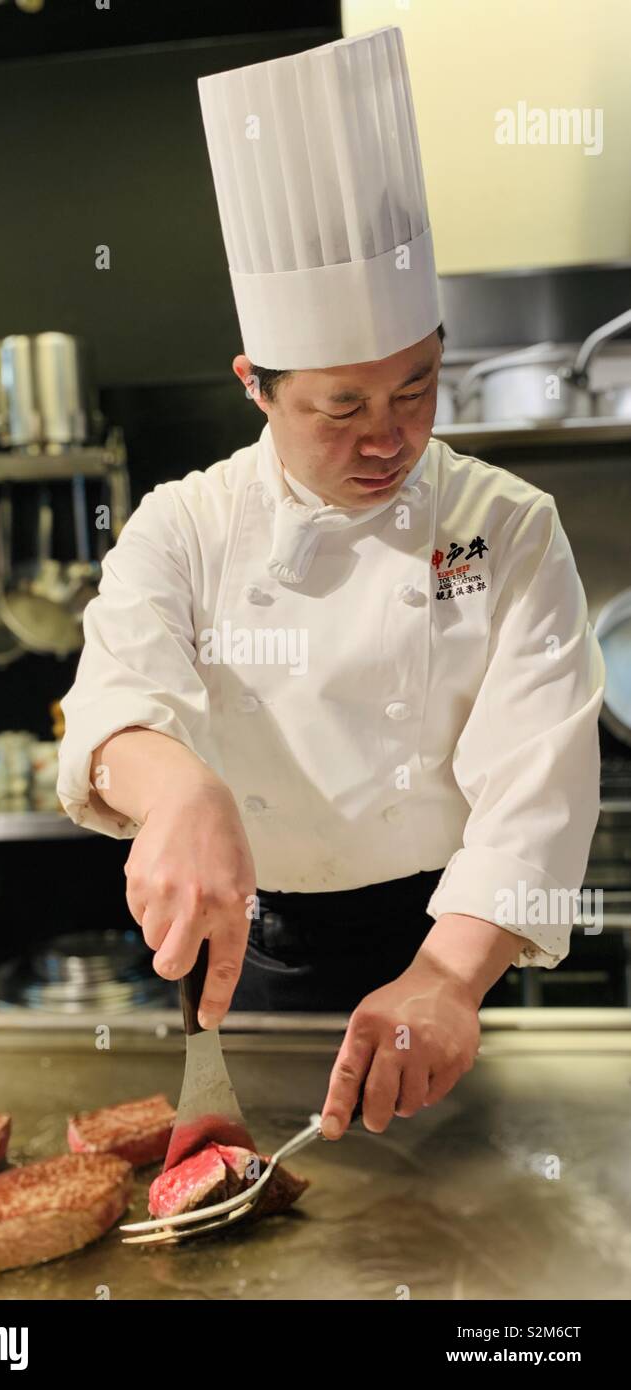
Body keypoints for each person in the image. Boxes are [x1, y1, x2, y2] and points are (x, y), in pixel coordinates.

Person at [56, 27, 604, 1141]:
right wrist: (178, 790)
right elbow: (115, 703)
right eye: (340, 408)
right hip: (249, 955)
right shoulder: (186, 524)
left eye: (416, 388)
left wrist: (449, 976)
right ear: (255, 384)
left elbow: (538, 788)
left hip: (446, 938)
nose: (389, 436)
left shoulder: (508, 526)